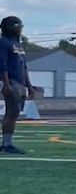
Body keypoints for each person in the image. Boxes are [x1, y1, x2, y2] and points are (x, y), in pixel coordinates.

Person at [0, 16, 40, 154]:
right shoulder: (3, 42)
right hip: (11, 81)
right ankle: (7, 145)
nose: (21, 28)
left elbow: (24, 67)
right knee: (12, 112)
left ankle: (6, 143)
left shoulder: (17, 44)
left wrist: (29, 86)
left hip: (20, 82)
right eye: (19, 26)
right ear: (13, 26)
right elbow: (2, 64)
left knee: (13, 113)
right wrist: (6, 84)